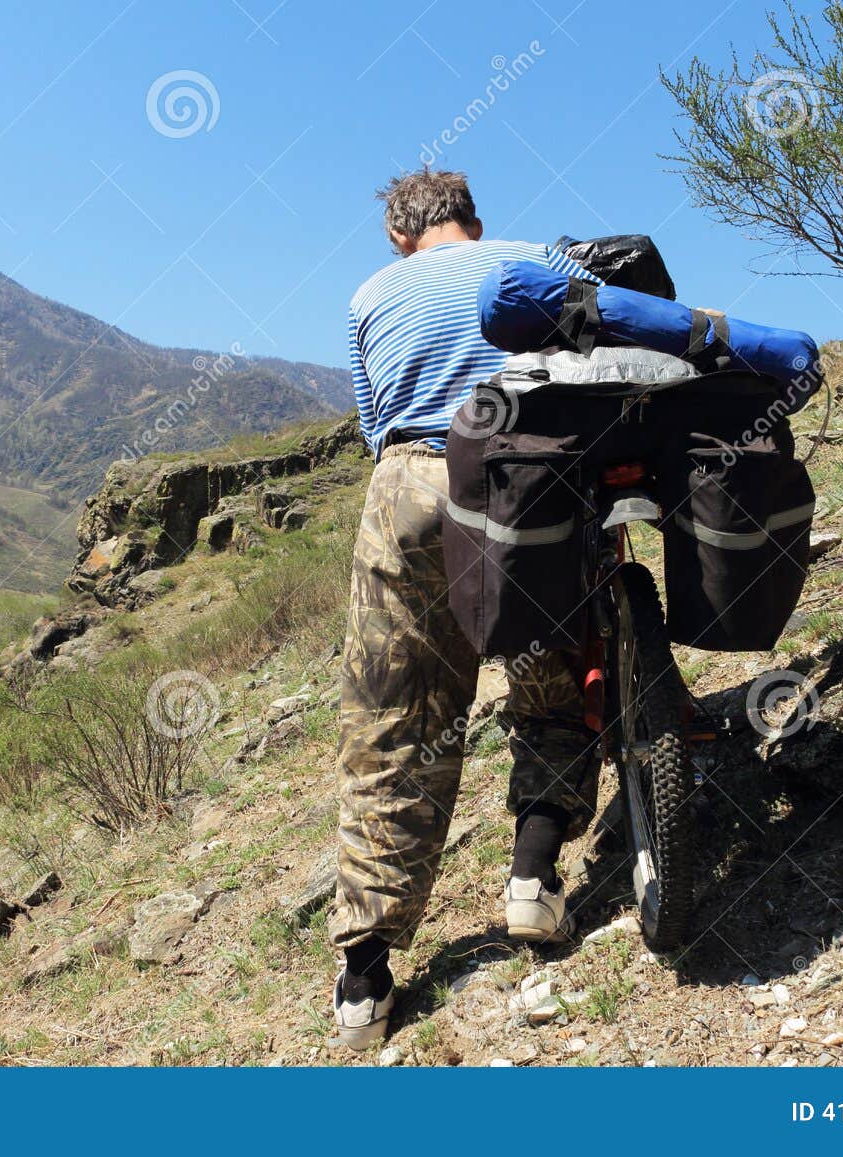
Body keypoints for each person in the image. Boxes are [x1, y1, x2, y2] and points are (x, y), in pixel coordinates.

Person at [331, 170, 602, 1050]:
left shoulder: (369, 296)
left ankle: (364, 977)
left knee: (392, 720)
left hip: (409, 482)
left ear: (398, 237)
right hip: (522, 476)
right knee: (551, 666)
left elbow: (377, 426)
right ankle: (534, 877)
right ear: (472, 221)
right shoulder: (532, 257)